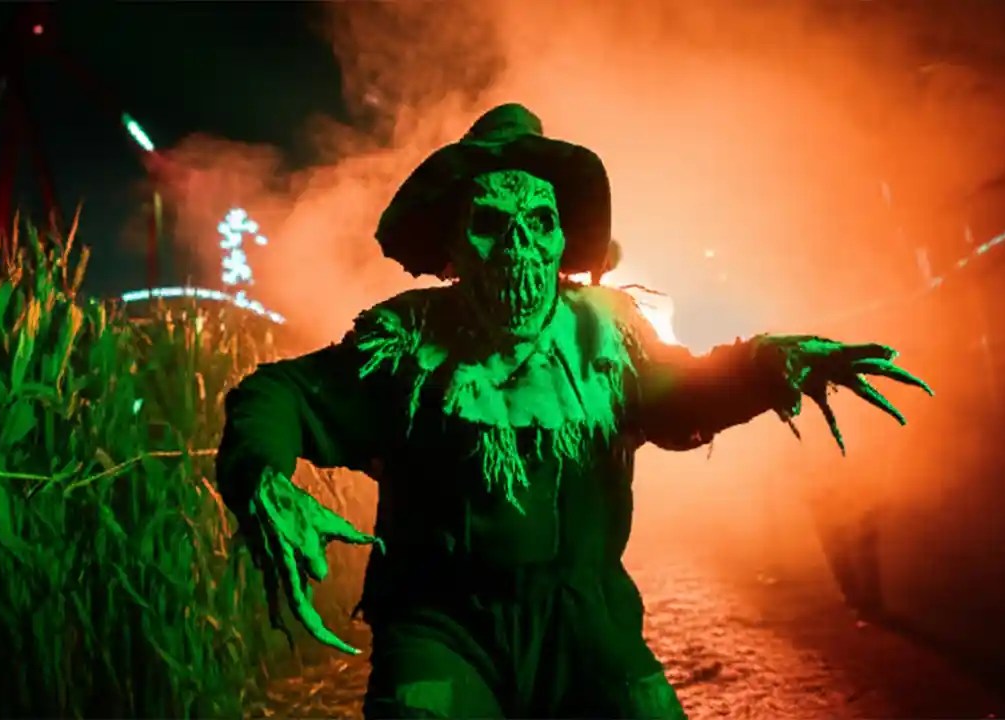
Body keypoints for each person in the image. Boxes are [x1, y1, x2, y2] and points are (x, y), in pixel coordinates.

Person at [216, 103, 932, 719]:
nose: (519, 252)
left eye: (540, 224)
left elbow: (681, 391)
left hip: (585, 616)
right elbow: (278, 393)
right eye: (493, 225)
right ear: (455, 247)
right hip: (441, 625)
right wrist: (263, 477)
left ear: (563, 242)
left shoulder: (605, 337)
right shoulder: (404, 345)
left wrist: (765, 365)